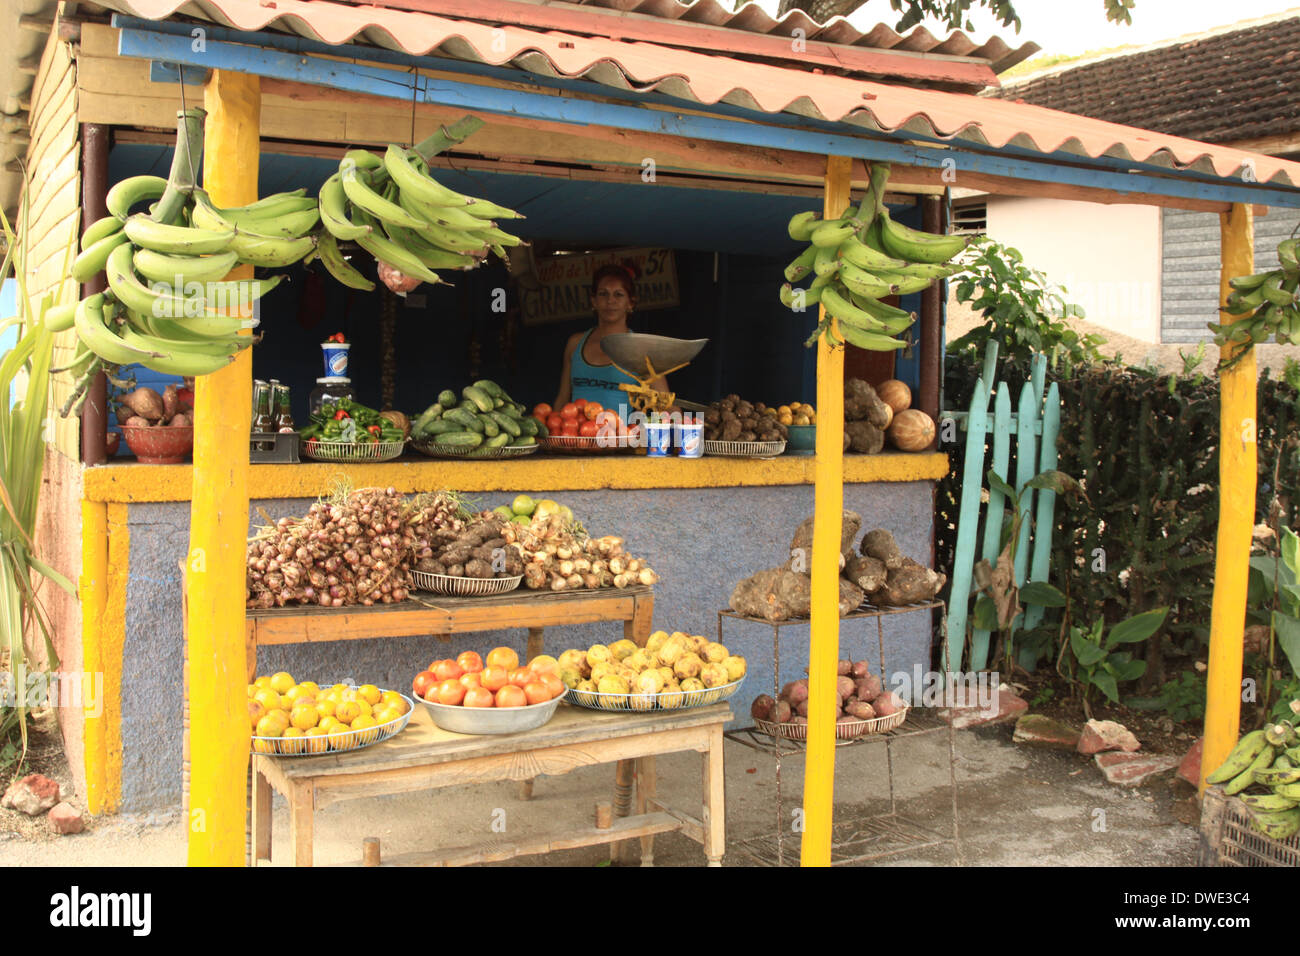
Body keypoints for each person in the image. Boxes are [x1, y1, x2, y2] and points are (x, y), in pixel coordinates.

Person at [553, 263, 669, 416]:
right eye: (603, 294)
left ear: (630, 303)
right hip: (575, 436)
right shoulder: (575, 344)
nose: (610, 301)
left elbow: (666, 406)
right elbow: (562, 399)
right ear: (593, 301)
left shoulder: (642, 350)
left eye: (618, 294)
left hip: (618, 438)